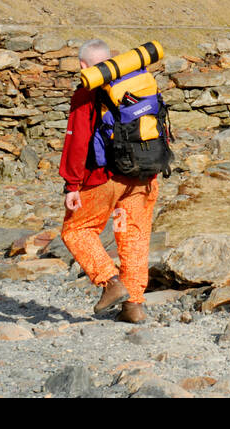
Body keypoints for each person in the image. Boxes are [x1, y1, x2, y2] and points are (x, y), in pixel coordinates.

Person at [59, 39, 160, 324]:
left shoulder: (86, 92)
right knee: (132, 237)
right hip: (143, 175)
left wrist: (71, 184)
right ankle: (134, 306)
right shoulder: (139, 84)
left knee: (76, 230)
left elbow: (77, 141)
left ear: (83, 65)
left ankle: (110, 282)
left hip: (103, 179)